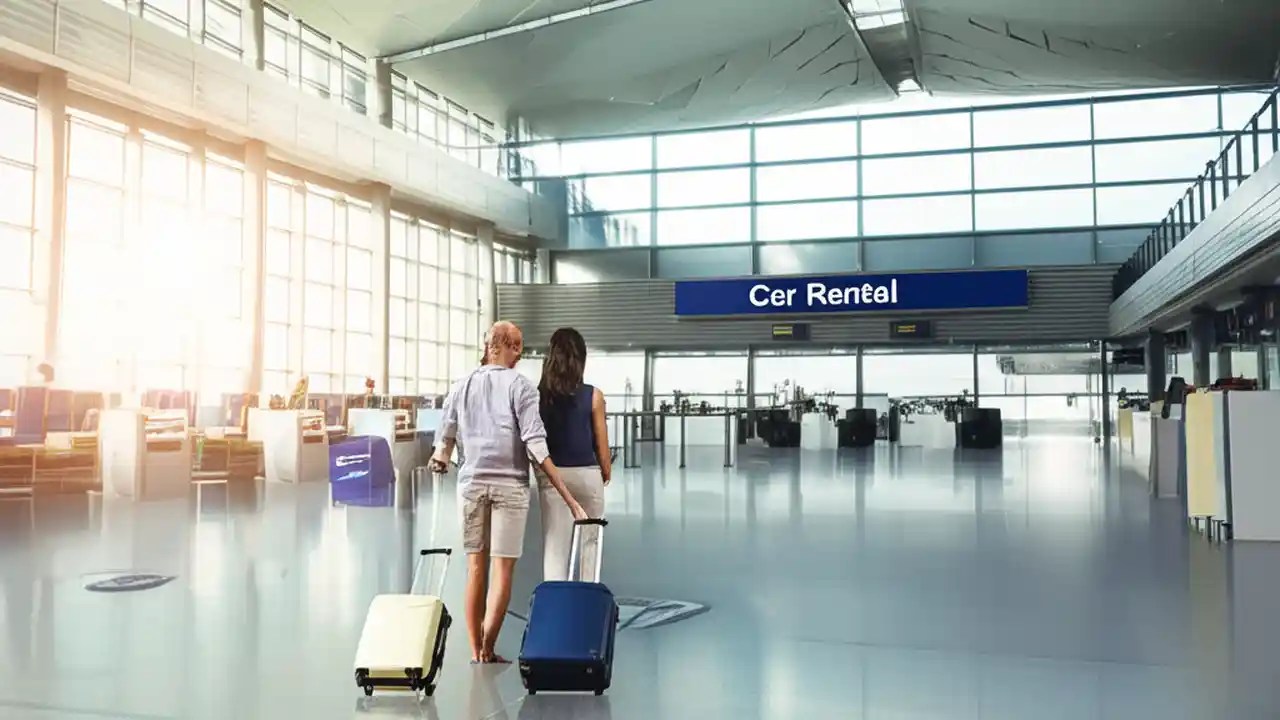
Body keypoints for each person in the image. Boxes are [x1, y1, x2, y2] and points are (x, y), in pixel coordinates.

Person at [430, 321, 588, 665]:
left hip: (471, 485)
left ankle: (477, 650)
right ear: (496, 346)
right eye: (515, 346)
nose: (519, 353)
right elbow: (536, 446)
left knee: (475, 568)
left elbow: (445, 438)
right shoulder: (521, 387)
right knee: (502, 570)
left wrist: (440, 458)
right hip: (510, 488)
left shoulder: (460, 386)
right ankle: (486, 648)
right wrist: (570, 498)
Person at [536, 328, 611, 581]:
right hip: (587, 474)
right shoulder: (594, 395)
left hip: (553, 477)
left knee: (555, 547)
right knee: (591, 544)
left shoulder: (538, 396)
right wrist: (605, 472)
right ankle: (588, 595)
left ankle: (556, 599)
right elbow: (601, 444)